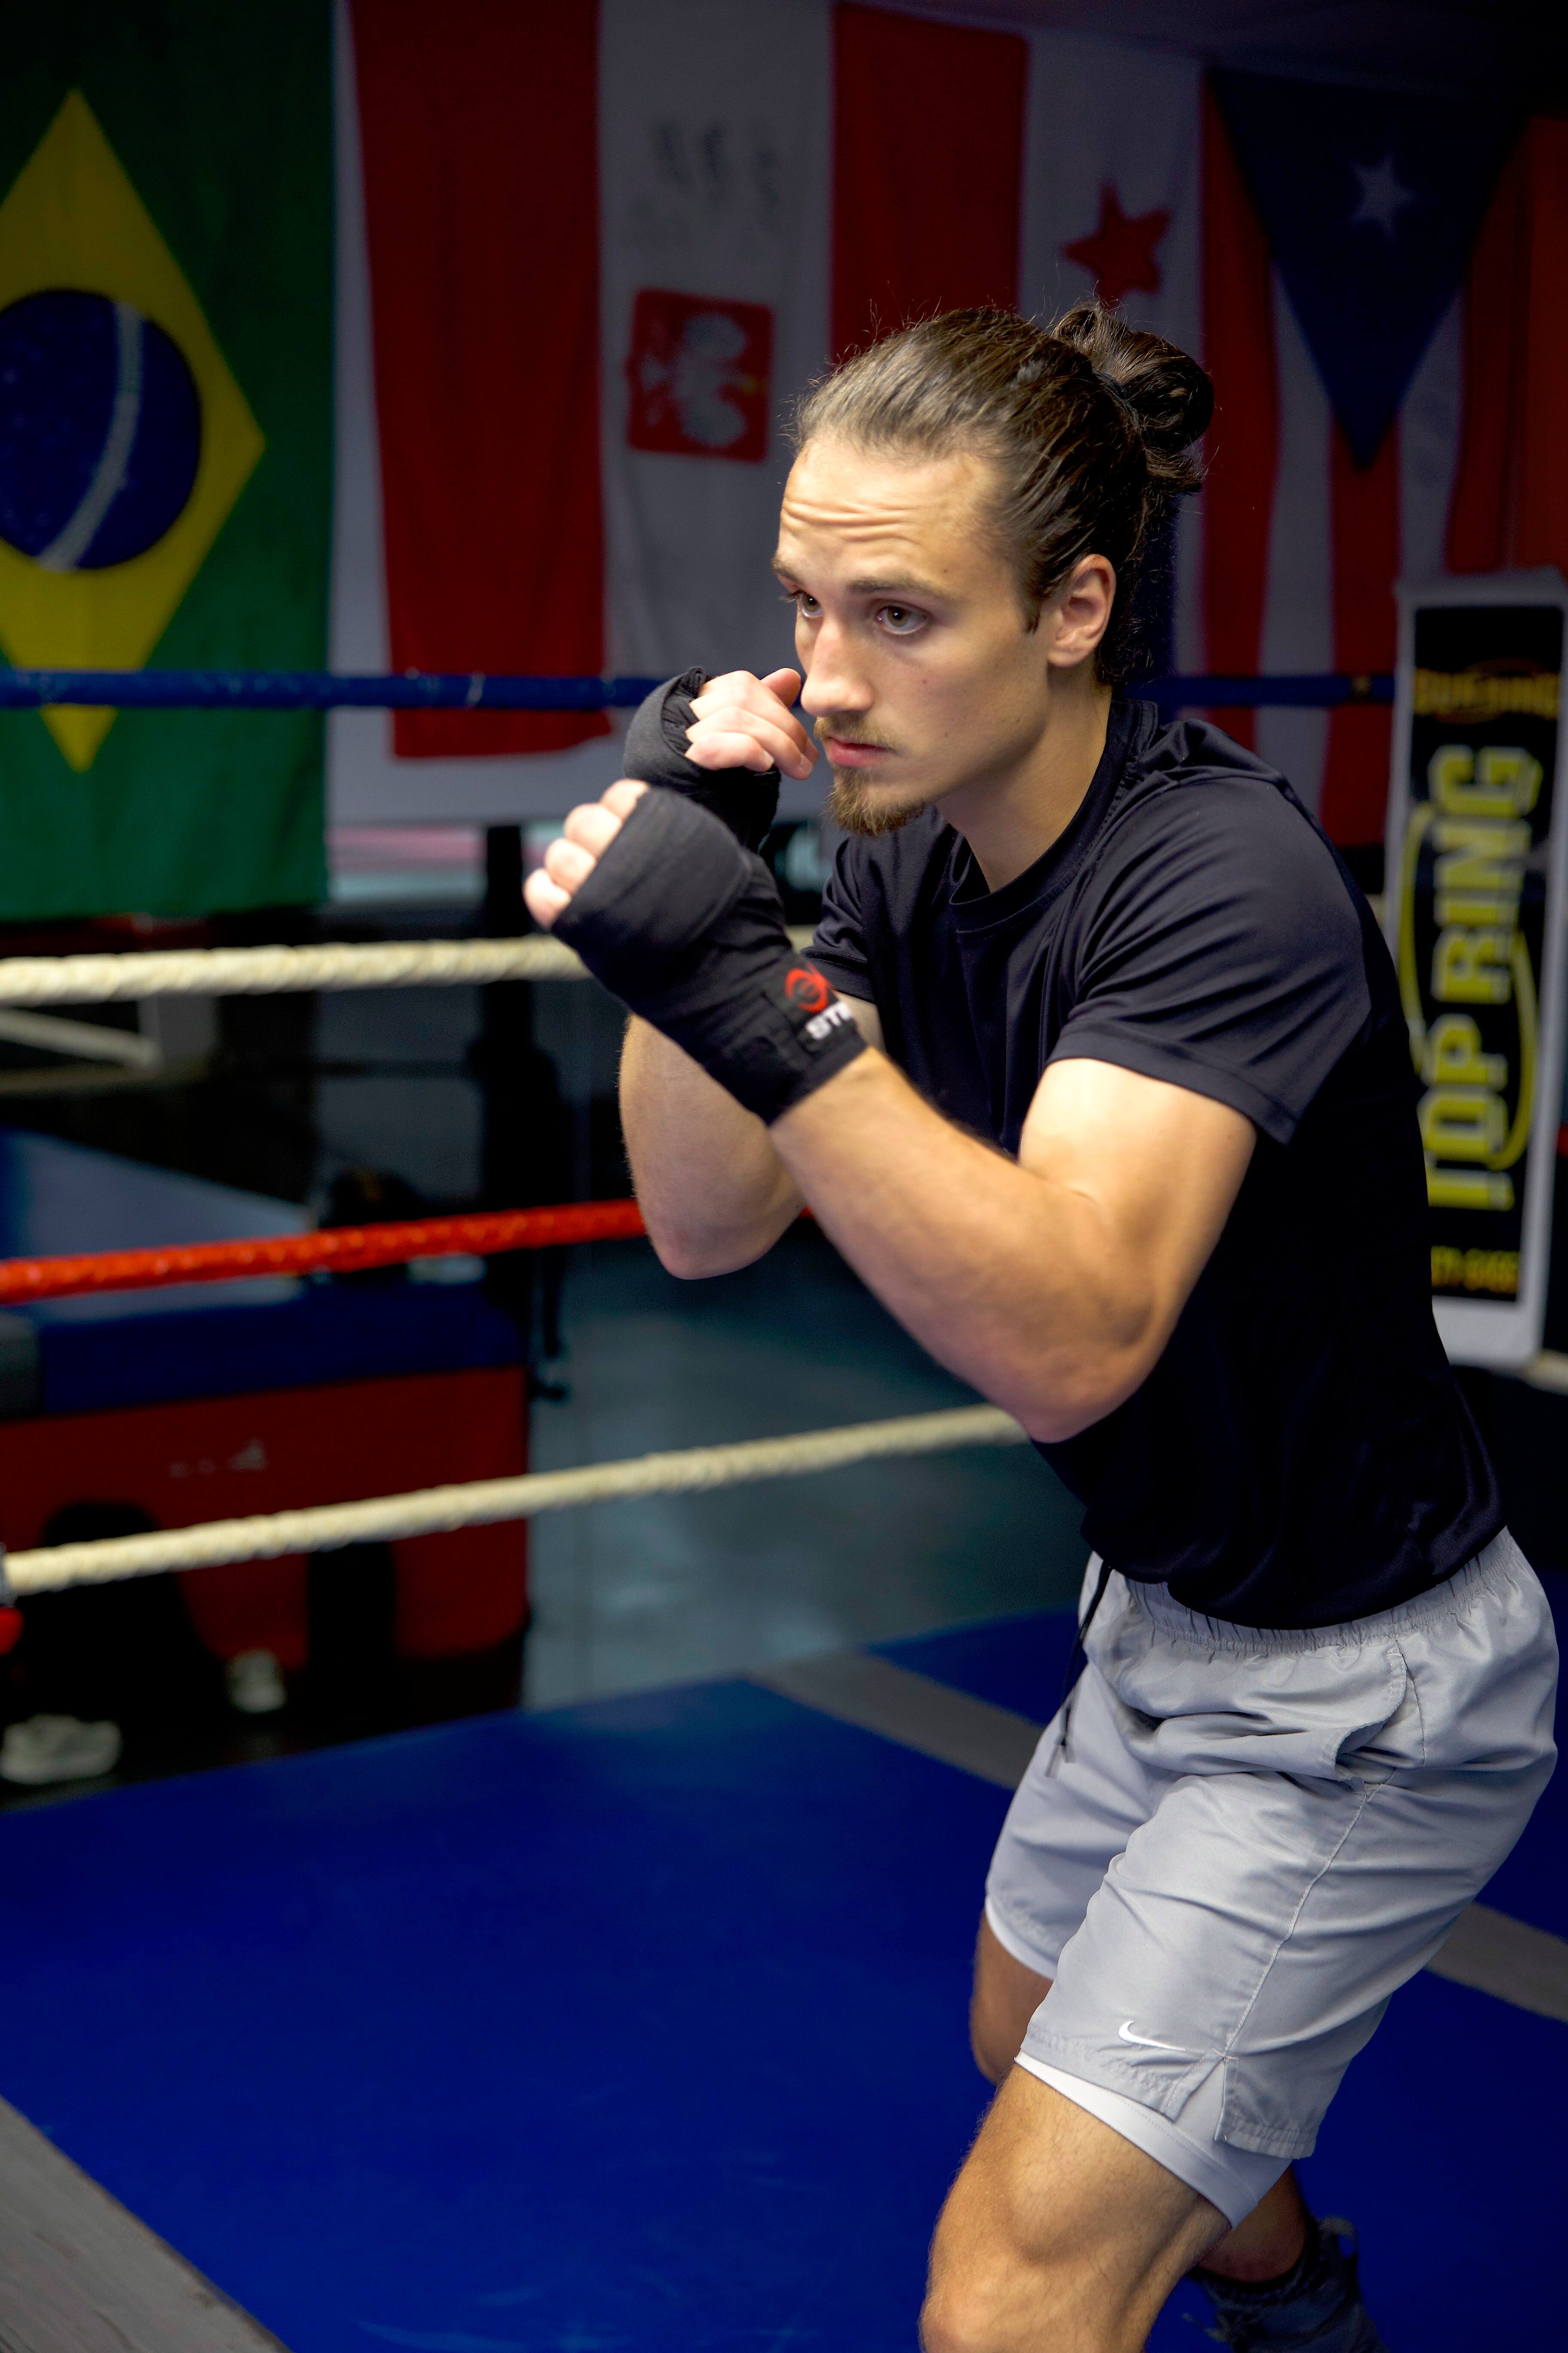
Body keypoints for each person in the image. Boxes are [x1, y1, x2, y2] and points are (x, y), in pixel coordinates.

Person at [524, 305, 1558, 2353]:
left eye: (900, 615)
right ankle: (1299, 2306)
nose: (825, 680)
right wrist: (706, 930)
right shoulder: (914, 859)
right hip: (1160, 1615)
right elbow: (707, 1216)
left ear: (1077, 607)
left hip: (1363, 1690)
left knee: (1009, 2296)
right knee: (1028, 2037)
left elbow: (1079, 1330)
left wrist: (760, 1003)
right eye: (805, 606)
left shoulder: (1220, 882)